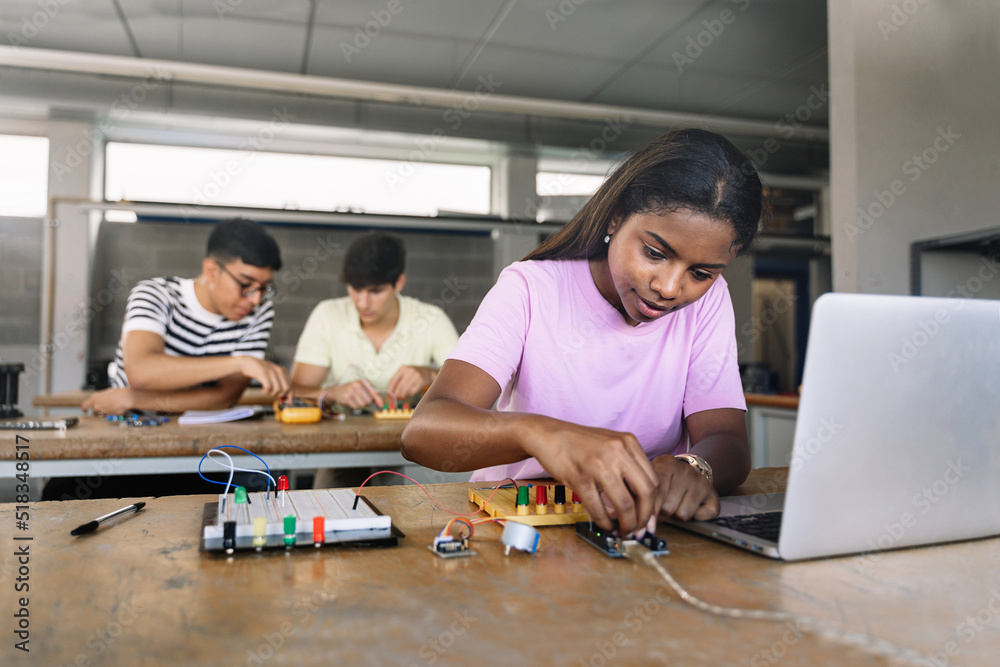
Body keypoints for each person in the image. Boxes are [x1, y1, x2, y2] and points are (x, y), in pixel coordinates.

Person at [400, 128, 761, 537]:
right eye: (655, 254)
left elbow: (726, 440)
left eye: (701, 273)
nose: (670, 287)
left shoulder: (709, 302)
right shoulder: (530, 288)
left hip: (643, 535)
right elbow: (424, 431)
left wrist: (695, 467)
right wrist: (540, 433)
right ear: (616, 217)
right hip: (520, 532)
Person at [82, 218, 291, 416]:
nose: (255, 299)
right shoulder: (155, 294)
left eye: (264, 288)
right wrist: (240, 363)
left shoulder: (260, 312)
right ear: (211, 271)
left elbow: (224, 398)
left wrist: (133, 399)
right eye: (245, 285)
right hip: (128, 426)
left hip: (195, 430)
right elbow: (141, 372)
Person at [290, 230, 459, 409]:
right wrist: (332, 394)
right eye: (356, 288)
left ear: (399, 283)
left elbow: (468, 385)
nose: (363, 303)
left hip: (409, 436)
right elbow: (295, 392)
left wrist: (431, 375)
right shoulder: (327, 315)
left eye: (375, 291)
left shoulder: (430, 319)